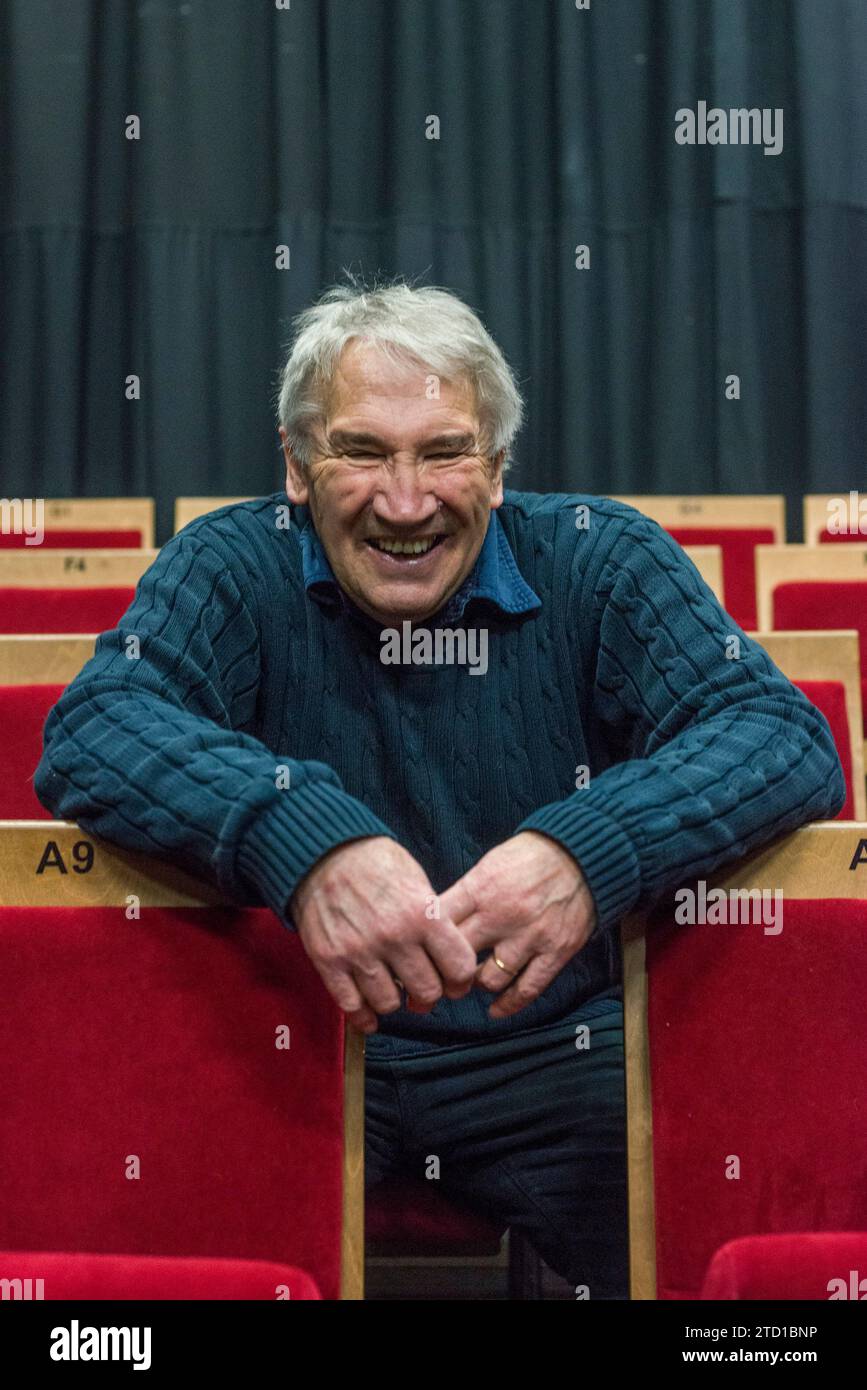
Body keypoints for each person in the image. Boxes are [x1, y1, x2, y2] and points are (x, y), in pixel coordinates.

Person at [35, 279, 845, 1298]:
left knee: (739, 1251)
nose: (406, 500)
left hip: (560, 1050)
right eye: (362, 451)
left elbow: (780, 735)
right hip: (299, 1038)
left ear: (499, 468)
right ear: (295, 464)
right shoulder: (233, 564)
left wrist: (588, 848)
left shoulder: (606, 558)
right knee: (129, 1253)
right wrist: (306, 836)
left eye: (446, 451)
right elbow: (95, 725)